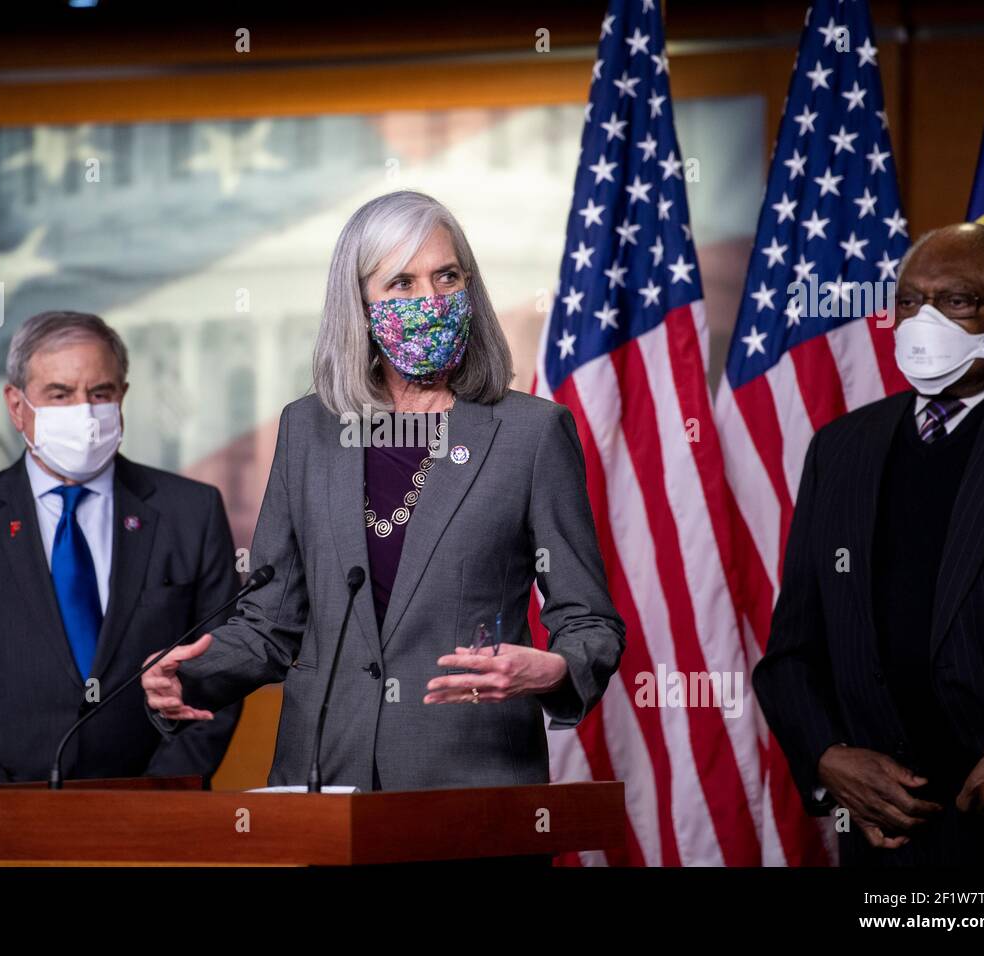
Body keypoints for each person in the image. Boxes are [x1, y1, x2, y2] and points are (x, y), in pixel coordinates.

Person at [142, 190, 626, 793]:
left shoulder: (532, 433)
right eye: (401, 283)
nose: (430, 300)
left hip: (470, 782)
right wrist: (188, 676)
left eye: (447, 276)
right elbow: (270, 622)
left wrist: (557, 669)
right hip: (323, 783)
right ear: (360, 305)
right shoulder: (308, 429)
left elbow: (589, 620)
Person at [753, 223, 984, 864]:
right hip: (886, 836)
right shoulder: (843, 446)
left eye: (957, 301)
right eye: (910, 302)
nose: (924, 320)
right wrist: (829, 758)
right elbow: (792, 654)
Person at [0, 311, 242, 787]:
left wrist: (156, 803)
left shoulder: (192, 512)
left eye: (100, 393)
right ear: (16, 406)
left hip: (154, 825)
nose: (83, 412)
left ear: (121, 397)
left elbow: (218, 677)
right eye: (60, 395)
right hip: (3, 829)